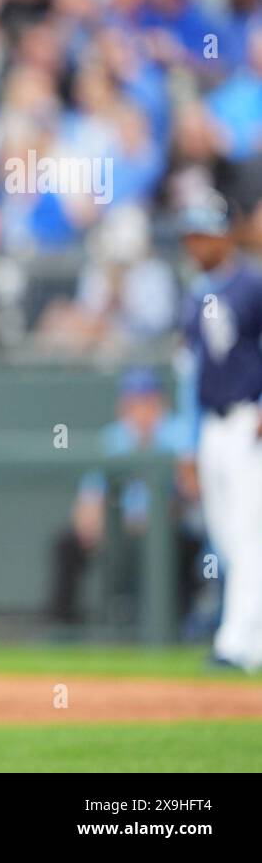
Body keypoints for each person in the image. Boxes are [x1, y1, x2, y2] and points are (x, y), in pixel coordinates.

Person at [178, 194, 262, 671]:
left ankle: (234, 645)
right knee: (227, 538)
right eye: (190, 236)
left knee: (248, 535)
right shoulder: (195, 293)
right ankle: (252, 637)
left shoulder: (252, 285)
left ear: (224, 234)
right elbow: (190, 370)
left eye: (202, 235)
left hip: (248, 420)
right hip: (212, 425)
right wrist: (187, 442)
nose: (194, 244)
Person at [46, 368, 201, 628]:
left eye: (146, 400)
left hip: (170, 529)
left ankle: (177, 627)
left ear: (159, 402)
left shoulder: (180, 431)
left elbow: (193, 492)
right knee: (66, 543)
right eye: (133, 402)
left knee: (178, 544)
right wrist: (91, 525)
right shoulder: (114, 436)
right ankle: (63, 631)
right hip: (119, 530)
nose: (140, 409)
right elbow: (90, 497)